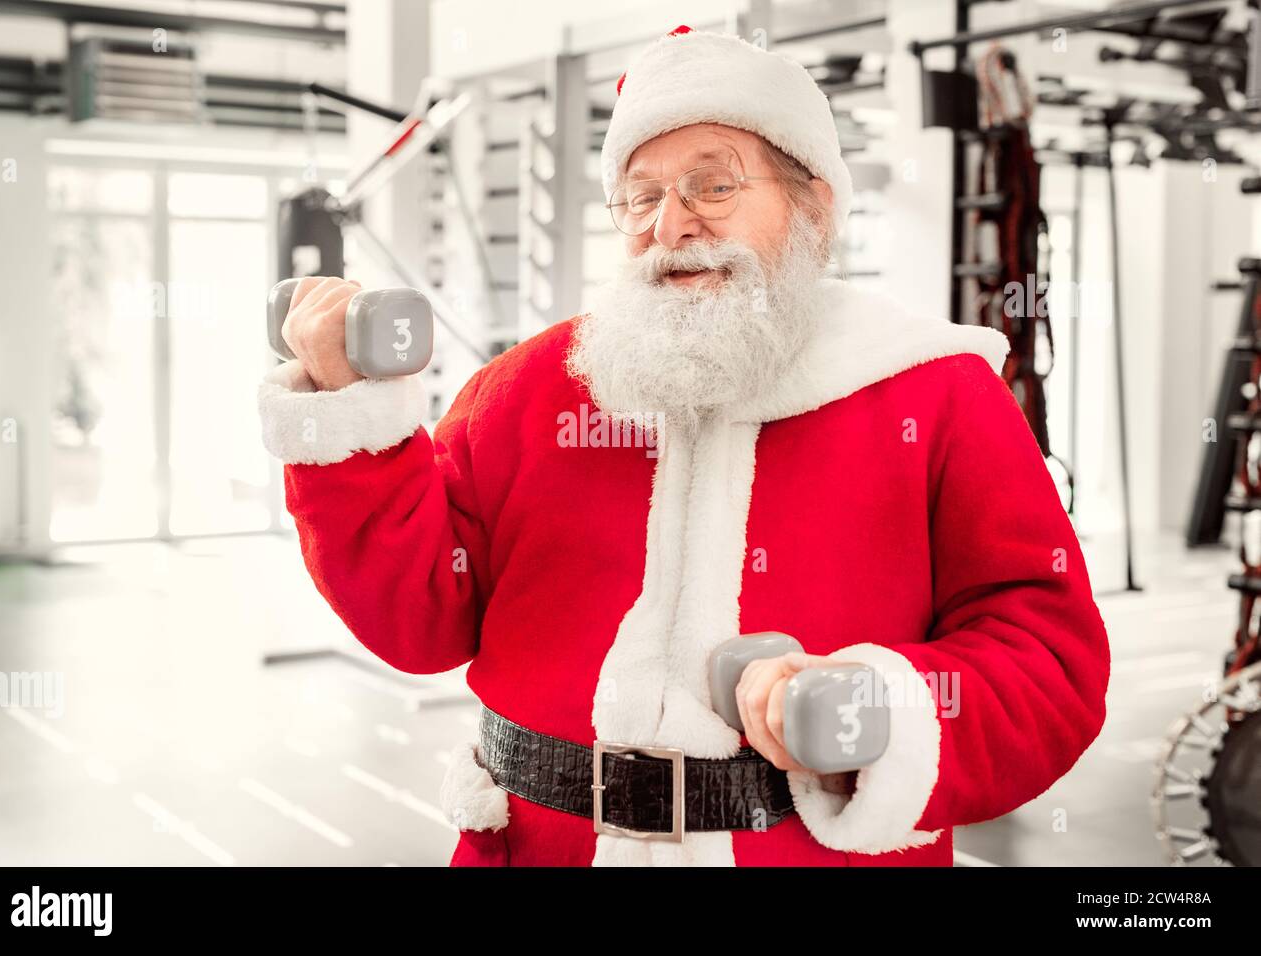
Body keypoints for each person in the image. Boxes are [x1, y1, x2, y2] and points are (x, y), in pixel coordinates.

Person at [257, 26, 1110, 867]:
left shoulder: (936, 392)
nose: (671, 225)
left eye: (713, 186)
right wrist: (353, 415)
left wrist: (878, 708)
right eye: (641, 196)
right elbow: (422, 624)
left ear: (812, 205)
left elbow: (1048, 659)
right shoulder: (524, 391)